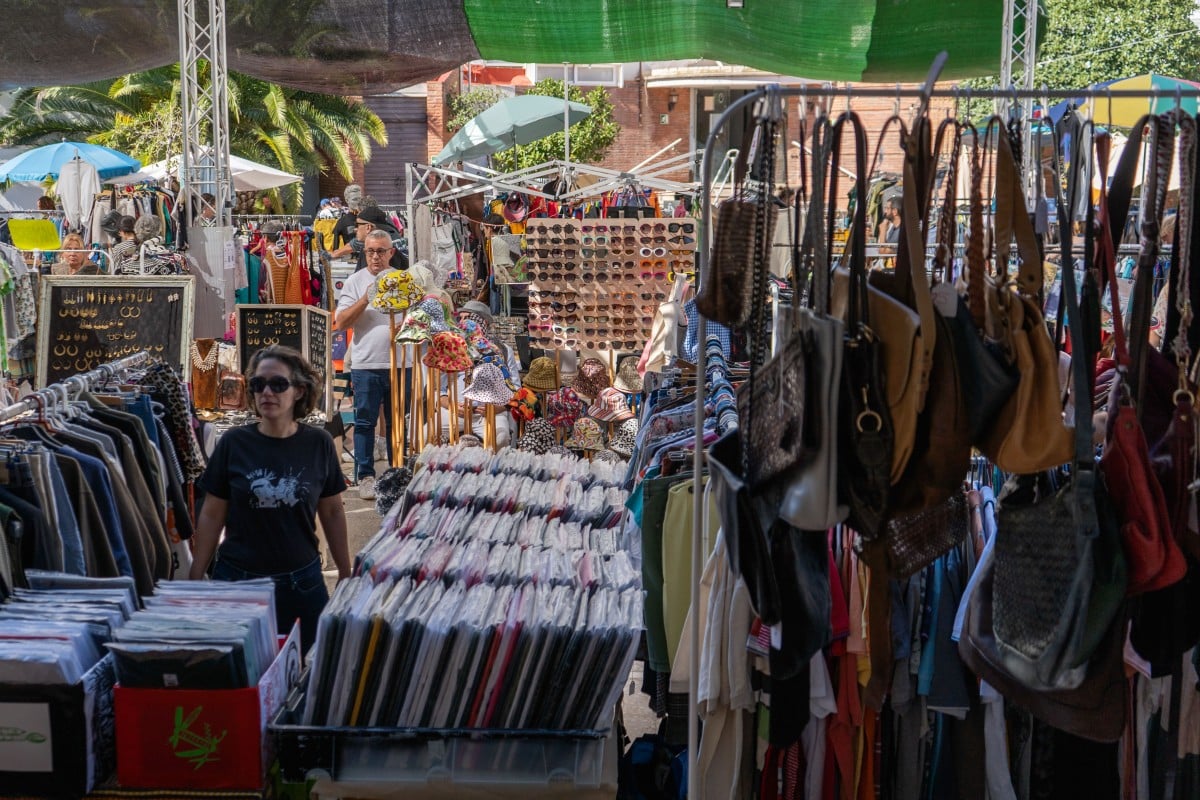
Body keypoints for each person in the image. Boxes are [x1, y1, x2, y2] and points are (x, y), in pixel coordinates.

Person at [189, 345, 351, 650]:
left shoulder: (319, 443)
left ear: (300, 391)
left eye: (278, 384)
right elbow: (213, 513)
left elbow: (332, 512)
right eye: (258, 384)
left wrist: (345, 570)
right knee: (240, 674)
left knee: (306, 670)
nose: (267, 392)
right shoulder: (234, 443)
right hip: (238, 581)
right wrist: (197, 571)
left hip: (300, 582)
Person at [334, 229, 400, 500]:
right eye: (371, 251)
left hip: (400, 364)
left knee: (400, 422)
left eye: (381, 251)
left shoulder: (402, 280)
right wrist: (366, 298)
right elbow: (342, 323)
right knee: (364, 422)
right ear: (364, 252)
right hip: (366, 364)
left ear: (391, 253)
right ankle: (366, 476)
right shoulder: (355, 281)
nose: (376, 257)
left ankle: (398, 473)